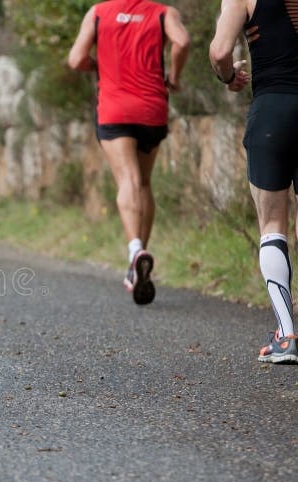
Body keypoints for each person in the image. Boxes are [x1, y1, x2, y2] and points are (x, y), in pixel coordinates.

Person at [68, 0, 190, 305]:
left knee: (128, 180)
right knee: (143, 183)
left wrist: (97, 65)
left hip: (115, 109)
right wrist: (175, 77)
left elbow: (76, 59)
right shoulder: (163, 13)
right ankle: (138, 259)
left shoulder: (98, 13)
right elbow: (183, 41)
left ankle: (135, 249)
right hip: (152, 110)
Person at [210, 0, 298, 364]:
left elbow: (220, 51)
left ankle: (287, 336)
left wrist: (229, 77)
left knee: (272, 224)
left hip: (272, 111)